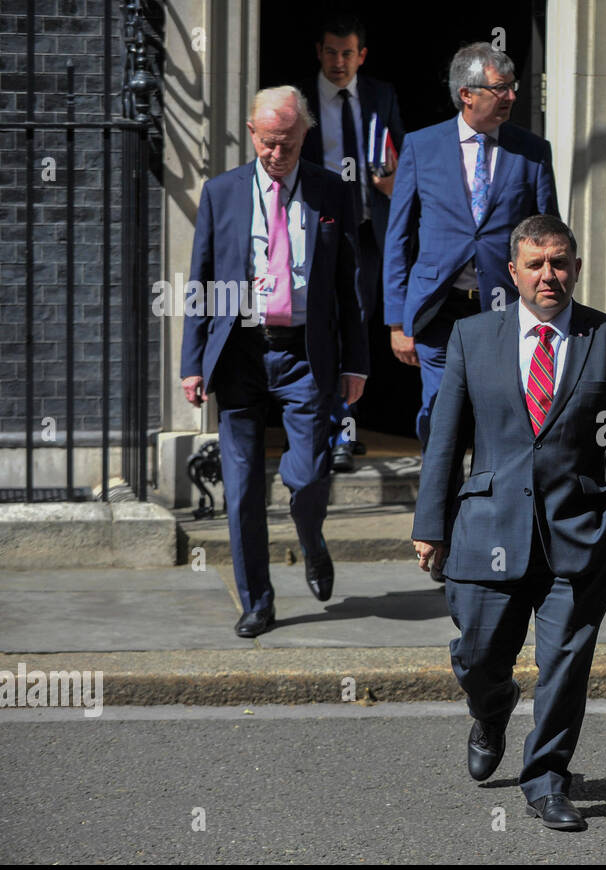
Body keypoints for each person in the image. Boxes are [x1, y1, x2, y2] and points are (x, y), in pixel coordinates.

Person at [411, 215, 606, 831]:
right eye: (537, 264)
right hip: (487, 527)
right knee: (478, 655)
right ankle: (491, 710)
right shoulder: (472, 336)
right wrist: (430, 524)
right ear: (513, 271)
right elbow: (446, 440)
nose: (550, 275)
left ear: (576, 266)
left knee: (566, 663)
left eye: (561, 262)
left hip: (579, 533)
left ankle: (545, 779)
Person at [180, 86, 368, 638]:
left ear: (303, 135)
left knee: (306, 477)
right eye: (266, 142)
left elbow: (350, 287)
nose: (274, 153)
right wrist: (193, 363)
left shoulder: (332, 192)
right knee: (241, 490)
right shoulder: (222, 192)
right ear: (251, 133)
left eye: (285, 143)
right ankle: (257, 601)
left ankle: (311, 538)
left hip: (304, 356)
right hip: (239, 352)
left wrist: (356, 363)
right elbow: (201, 281)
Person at [384, 41, 559, 446]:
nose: (511, 96)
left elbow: (549, 236)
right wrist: (397, 322)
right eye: (500, 88)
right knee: (440, 417)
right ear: (467, 93)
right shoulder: (421, 146)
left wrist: (550, 309)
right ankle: (440, 506)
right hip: (437, 308)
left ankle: (485, 507)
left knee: (498, 419)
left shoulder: (532, 151)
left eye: (512, 86)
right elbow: (399, 237)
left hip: (503, 309)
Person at [301, 14, 405, 472]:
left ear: (361, 55)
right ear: (318, 52)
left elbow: (404, 163)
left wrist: (393, 183)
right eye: (331, 52)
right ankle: (313, 425)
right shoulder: (301, 99)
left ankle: (345, 429)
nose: (339, 62)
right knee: (317, 323)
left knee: (357, 324)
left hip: (366, 230)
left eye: (348, 53)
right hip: (314, 229)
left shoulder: (382, 95)